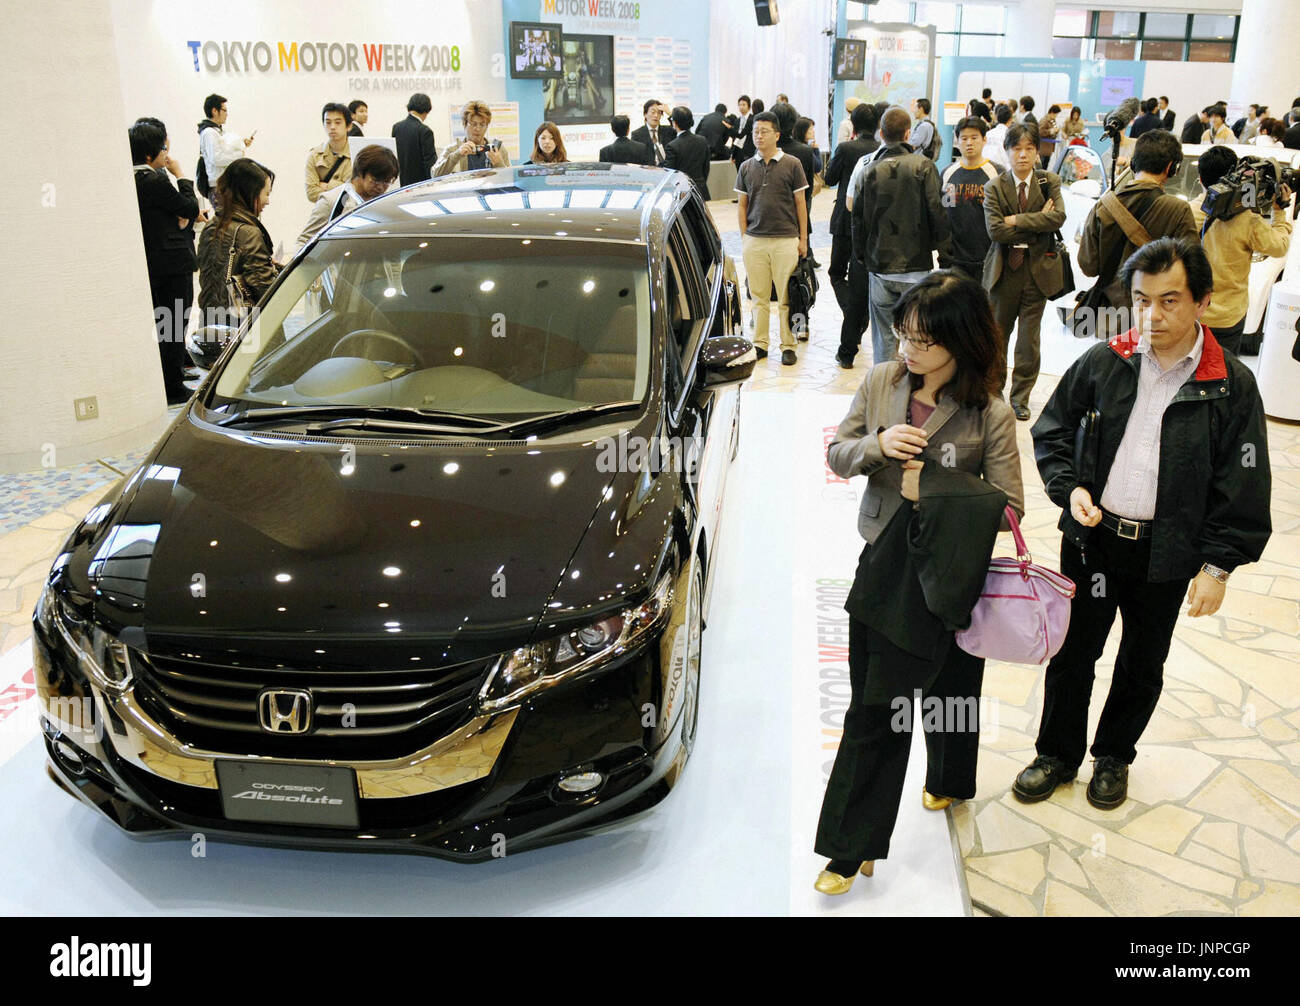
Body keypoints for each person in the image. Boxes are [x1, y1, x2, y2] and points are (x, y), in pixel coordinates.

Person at [1016, 237, 1272, 810]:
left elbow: (1244, 481)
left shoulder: (1229, 383)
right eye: (1141, 300)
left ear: (1202, 302)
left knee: (1141, 660)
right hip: (1093, 541)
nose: (1152, 316)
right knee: (1073, 652)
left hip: (1167, 552)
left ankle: (1113, 757)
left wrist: (1219, 565)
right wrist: (1071, 488)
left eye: (1170, 301)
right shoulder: (1106, 359)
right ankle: (1056, 754)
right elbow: (1052, 431)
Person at [813, 271, 1024, 894]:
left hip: (955, 576)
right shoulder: (881, 381)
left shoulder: (990, 411)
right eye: (903, 335)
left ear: (961, 342)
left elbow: (1010, 506)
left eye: (924, 341)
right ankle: (854, 847)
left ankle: (951, 779)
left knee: (954, 689)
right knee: (877, 706)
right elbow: (838, 452)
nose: (908, 350)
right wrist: (877, 445)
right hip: (885, 564)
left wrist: (931, 488)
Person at [1077, 129, 1200, 341]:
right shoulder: (1178, 210)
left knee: (1111, 368)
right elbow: (1194, 271)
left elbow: (1088, 266)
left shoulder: (1104, 205)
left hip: (1111, 315)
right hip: (1157, 318)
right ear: (1171, 168)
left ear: (1134, 163)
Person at [853, 106, 949, 367]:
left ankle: (885, 389)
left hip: (880, 268)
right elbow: (936, 212)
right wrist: (945, 253)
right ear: (908, 133)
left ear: (881, 133)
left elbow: (857, 221)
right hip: (916, 269)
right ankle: (913, 391)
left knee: (883, 337)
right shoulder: (924, 167)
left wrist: (862, 256)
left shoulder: (868, 170)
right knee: (916, 337)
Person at [982, 122, 1066, 420]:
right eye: (1017, 149)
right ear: (1007, 151)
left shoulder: (1048, 181)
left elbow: (1057, 218)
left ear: (1037, 151)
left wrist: (1015, 220)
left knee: (1029, 342)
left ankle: (1021, 397)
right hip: (1003, 272)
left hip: (1036, 272)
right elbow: (995, 231)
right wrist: (1034, 222)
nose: (1023, 155)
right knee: (997, 338)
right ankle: (994, 392)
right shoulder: (994, 186)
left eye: (1029, 148)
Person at [1192, 147, 1292, 355]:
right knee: (1223, 376)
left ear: (1200, 179)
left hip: (1190, 313)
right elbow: (1280, 247)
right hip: (1228, 318)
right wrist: (1278, 212)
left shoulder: (1186, 212)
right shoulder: (1248, 219)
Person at [131, 118, 201, 404]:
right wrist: (181, 175)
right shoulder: (153, 179)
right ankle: (172, 385)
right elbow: (190, 207)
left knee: (166, 323)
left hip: (153, 262)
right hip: (172, 265)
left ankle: (171, 377)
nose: (166, 154)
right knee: (173, 323)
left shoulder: (132, 179)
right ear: (150, 155)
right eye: (163, 149)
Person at [734, 110, 808, 366]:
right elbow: (742, 205)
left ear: (777, 135)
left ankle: (788, 345)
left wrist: (803, 239)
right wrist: (744, 237)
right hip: (755, 240)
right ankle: (760, 343)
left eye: (764, 131)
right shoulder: (746, 167)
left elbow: (801, 203)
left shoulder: (793, 164)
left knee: (787, 298)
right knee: (759, 297)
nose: (758, 136)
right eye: (755, 131)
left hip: (786, 240)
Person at [197, 158, 280, 330]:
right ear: (250, 194)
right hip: (244, 328)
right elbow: (264, 288)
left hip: (211, 322)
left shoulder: (211, 226)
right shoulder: (248, 233)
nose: (268, 201)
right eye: (267, 193)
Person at [825, 103, 878, 369]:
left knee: (836, 272)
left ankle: (851, 313)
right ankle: (858, 317)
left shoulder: (846, 148)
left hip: (845, 220)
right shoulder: (881, 150)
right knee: (863, 277)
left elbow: (829, 178)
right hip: (871, 226)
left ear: (853, 125)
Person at [296, 143, 399, 251]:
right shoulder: (332, 201)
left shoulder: (384, 203)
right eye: (376, 180)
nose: (381, 187)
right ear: (360, 172)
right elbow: (304, 241)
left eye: (387, 182)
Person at [939, 116, 1000, 284]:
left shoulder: (996, 173)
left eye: (974, 138)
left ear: (984, 140)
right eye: (964, 138)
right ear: (957, 141)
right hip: (954, 258)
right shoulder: (948, 173)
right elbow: (944, 211)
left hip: (986, 257)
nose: (969, 143)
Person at [197, 93, 252, 213]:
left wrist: (242, 143)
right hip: (218, 186)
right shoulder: (209, 132)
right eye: (224, 110)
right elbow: (216, 158)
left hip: (224, 184)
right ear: (214, 111)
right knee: (225, 222)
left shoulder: (217, 131)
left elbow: (225, 148)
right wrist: (238, 156)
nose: (227, 114)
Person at [434, 100, 510, 176]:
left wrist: (499, 164)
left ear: (487, 126)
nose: (477, 129)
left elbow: (510, 179)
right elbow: (435, 174)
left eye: (482, 124)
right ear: (465, 124)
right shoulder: (452, 149)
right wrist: (457, 154)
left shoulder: (497, 149)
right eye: (473, 124)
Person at [772, 101, 818, 221]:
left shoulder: (763, 150)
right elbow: (808, 190)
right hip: (797, 215)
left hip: (769, 217)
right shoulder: (805, 151)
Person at [305, 103, 353, 203]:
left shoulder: (356, 154)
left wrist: (327, 186)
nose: (332, 127)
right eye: (328, 122)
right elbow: (311, 194)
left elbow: (353, 192)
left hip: (349, 213)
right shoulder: (314, 155)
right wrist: (341, 185)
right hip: (324, 213)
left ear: (348, 126)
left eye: (337, 122)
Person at [664, 106, 711, 203]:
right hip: (700, 189)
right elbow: (706, 168)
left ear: (675, 123)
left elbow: (670, 173)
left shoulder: (672, 146)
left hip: (681, 192)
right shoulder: (702, 140)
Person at [392, 93, 438, 187]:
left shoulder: (396, 127)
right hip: (420, 186)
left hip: (400, 185)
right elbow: (430, 164)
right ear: (427, 110)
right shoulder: (425, 131)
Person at [631, 99, 673, 166]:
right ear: (645, 114)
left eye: (659, 113)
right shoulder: (637, 134)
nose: (656, 115)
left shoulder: (668, 131)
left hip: (667, 171)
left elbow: (680, 127)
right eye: (653, 112)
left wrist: (670, 113)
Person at [731, 94, 753, 167]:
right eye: (740, 105)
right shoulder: (737, 120)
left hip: (749, 152)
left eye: (744, 105)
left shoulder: (752, 119)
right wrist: (733, 154)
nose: (741, 107)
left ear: (749, 107)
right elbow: (736, 138)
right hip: (738, 152)